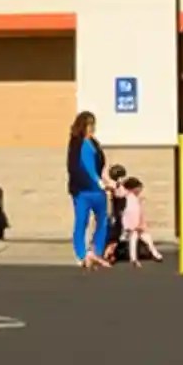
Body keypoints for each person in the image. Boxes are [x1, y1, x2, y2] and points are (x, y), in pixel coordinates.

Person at [67, 111, 111, 270]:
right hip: (83, 190)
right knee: (82, 221)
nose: (92, 128)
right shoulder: (77, 144)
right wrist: (98, 181)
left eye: (93, 125)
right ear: (82, 126)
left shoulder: (95, 144)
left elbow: (100, 166)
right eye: (89, 125)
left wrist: (107, 181)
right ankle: (81, 254)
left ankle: (96, 251)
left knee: (103, 220)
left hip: (97, 191)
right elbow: (86, 167)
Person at [120, 177, 164, 267]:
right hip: (133, 221)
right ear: (133, 188)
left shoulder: (133, 197)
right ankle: (135, 258)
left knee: (145, 237)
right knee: (135, 237)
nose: (140, 190)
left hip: (136, 221)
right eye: (139, 188)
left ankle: (154, 254)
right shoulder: (129, 196)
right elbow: (131, 212)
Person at [102, 164, 128, 263]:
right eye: (123, 176)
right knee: (114, 236)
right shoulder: (116, 186)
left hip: (117, 214)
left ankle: (109, 254)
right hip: (115, 215)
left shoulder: (117, 185)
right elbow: (118, 194)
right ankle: (107, 254)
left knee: (115, 237)